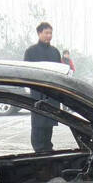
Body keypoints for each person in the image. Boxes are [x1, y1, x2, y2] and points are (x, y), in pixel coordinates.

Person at [23, 22, 62, 152]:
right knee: (38, 125)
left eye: (50, 33)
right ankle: (39, 151)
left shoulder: (55, 52)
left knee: (49, 124)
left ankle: (48, 150)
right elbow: (26, 73)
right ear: (39, 33)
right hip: (37, 94)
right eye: (46, 33)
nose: (49, 36)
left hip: (52, 95)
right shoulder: (30, 52)